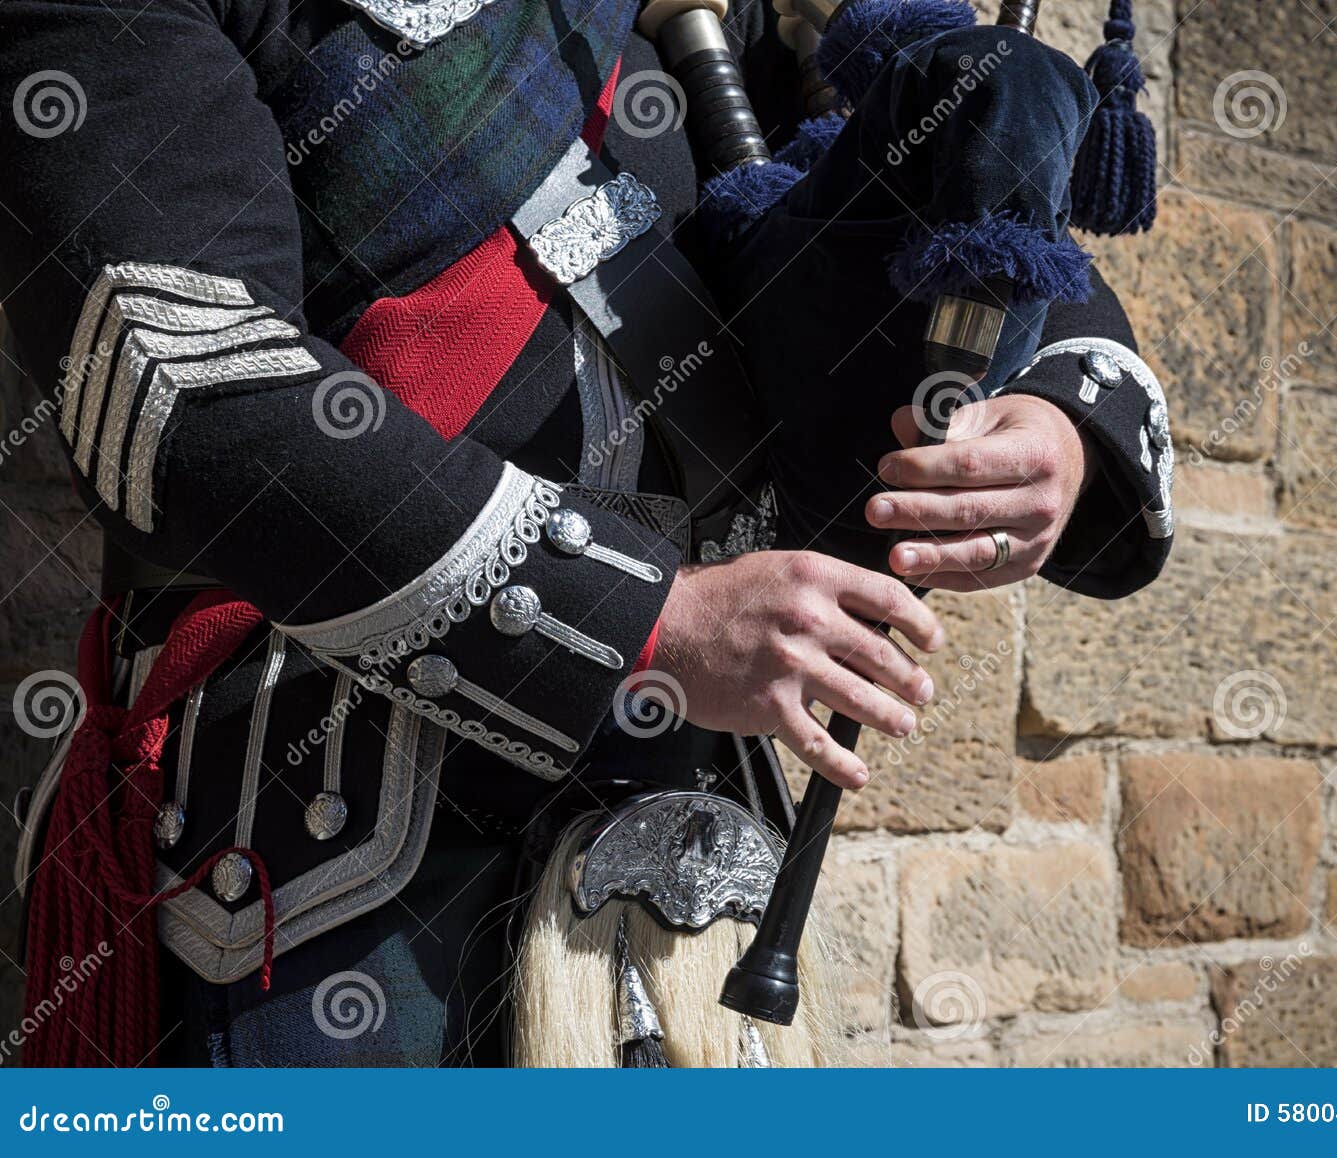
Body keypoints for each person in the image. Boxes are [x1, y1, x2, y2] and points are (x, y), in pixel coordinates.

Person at [1, 0, 1172, 1066]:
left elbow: (930, 178)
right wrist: (649, 622)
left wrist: (1056, 416)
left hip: (701, 859)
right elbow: (178, 386)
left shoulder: (731, 23)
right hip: (318, 861)